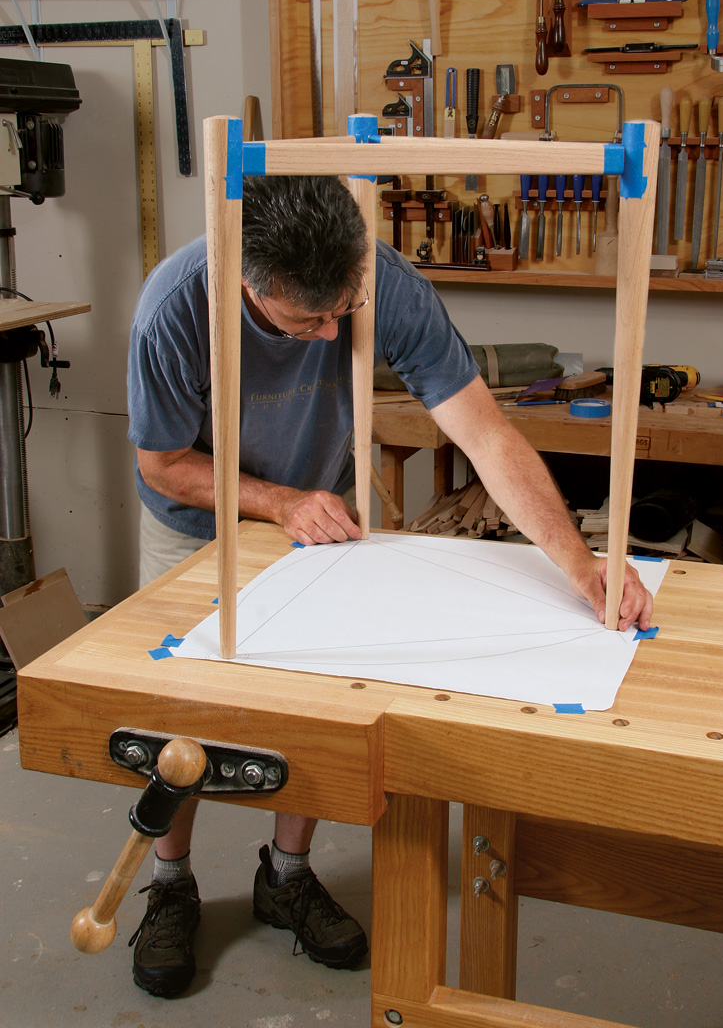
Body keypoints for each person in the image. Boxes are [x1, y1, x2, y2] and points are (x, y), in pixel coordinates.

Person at [127, 173, 652, 998]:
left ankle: (287, 874)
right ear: (250, 285)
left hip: (321, 504)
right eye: (311, 321)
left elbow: (483, 431)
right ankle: (169, 885)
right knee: (182, 710)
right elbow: (162, 464)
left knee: (323, 692)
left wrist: (578, 561)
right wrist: (275, 500)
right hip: (204, 514)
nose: (336, 331)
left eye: (345, 307)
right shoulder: (174, 311)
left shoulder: (381, 283)